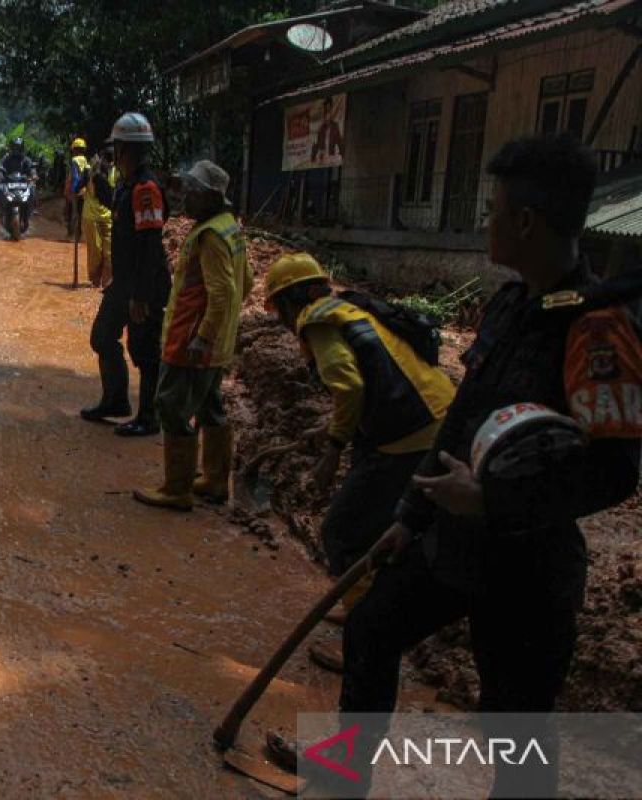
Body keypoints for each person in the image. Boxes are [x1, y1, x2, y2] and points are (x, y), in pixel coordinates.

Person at [336, 135, 642, 797]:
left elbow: (615, 472)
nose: (486, 222)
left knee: (516, 731)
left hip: (530, 571)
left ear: (525, 222)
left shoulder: (597, 331)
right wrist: (410, 514)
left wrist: (490, 501)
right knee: (368, 630)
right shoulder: (508, 307)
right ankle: (339, 785)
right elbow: (462, 415)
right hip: (453, 546)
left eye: (493, 210)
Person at [263, 252, 456, 672]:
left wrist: (334, 448)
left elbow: (349, 386)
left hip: (411, 437)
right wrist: (333, 428)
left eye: (278, 309)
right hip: (435, 419)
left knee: (344, 531)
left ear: (290, 301)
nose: (281, 320)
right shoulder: (351, 308)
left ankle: (366, 636)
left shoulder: (315, 322)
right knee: (374, 527)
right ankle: (364, 610)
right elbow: (371, 378)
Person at [133, 160, 251, 510]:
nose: (185, 197)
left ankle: (177, 488)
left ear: (211, 197)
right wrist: (220, 329)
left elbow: (224, 290)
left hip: (192, 340)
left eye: (193, 192)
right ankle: (215, 479)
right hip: (217, 341)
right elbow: (245, 282)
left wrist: (203, 335)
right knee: (210, 405)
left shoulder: (210, 236)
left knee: (171, 405)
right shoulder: (230, 228)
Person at [80, 112, 169, 437]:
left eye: (116, 148)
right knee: (103, 336)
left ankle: (149, 416)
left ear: (126, 149)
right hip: (125, 282)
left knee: (145, 351)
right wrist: (98, 180)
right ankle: (116, 400)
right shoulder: (128, 185)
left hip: (144, 284)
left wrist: (141, 296)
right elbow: (118, 209)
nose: (113, 154)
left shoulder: (146, 189)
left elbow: (149, 244)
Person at [81, 145, 117, 288]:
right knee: (95, 249)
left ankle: (106, 282)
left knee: (109, 251)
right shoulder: (90, 172)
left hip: (108, 216)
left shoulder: (116, 173)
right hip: (91, 216)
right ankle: (95, 280)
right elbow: (77, 186)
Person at [0, 137, 37, 229]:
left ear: (22, 148)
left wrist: (33, 175)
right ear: (11, 147)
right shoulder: (6, 158)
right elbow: (0, 168)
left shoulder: (26, 159)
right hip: (8, 182)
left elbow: (32, 169)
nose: (16, 149)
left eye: (18, 147)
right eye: (15, 147)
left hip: (23, 183)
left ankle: (30, 209)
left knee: (32, 189)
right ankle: (0, 209)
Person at [64, 137, 90, 239]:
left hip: (75, 188)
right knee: (80, 211)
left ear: (74, 149)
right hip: (84, 189)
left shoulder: (74, 160)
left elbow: (75, 176)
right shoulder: (85, 160)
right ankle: (79, 234)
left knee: (72, 211)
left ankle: (72, 234)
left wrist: (74, 190)